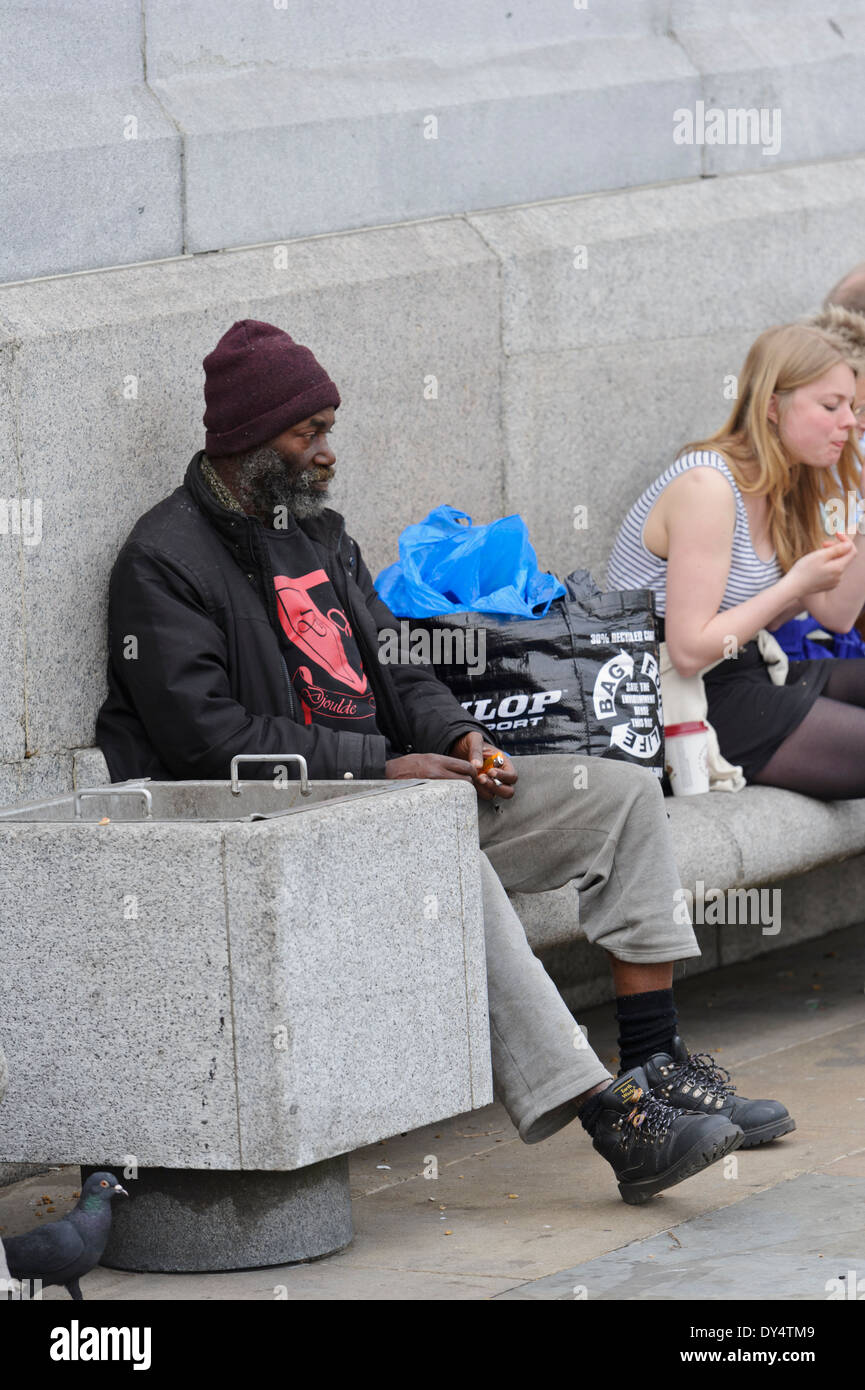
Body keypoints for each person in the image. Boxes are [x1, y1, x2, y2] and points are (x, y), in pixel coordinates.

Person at [96, 320, 793, 1206]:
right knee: (436, 852)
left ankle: (655, 1059)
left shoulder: (319, 536)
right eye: (307, 435)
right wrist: (379, 772)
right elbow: (208, 742)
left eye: (328, 431)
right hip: (274, 830)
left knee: (616, 793)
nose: (326, 454)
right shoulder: (164, 560)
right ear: (242, 440)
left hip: (393, 790)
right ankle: (614, 1120)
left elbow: (398, 663)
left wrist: (462, 739)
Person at [608, 322, 865, 798]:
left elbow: (837, 614)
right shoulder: (708, 487)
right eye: (832, 406)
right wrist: (793, 587)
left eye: (852, 406)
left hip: (748, 668)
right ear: (772, 405)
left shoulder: (793, 480)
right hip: (680, 692)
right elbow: (687, 649)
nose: (851, 422)